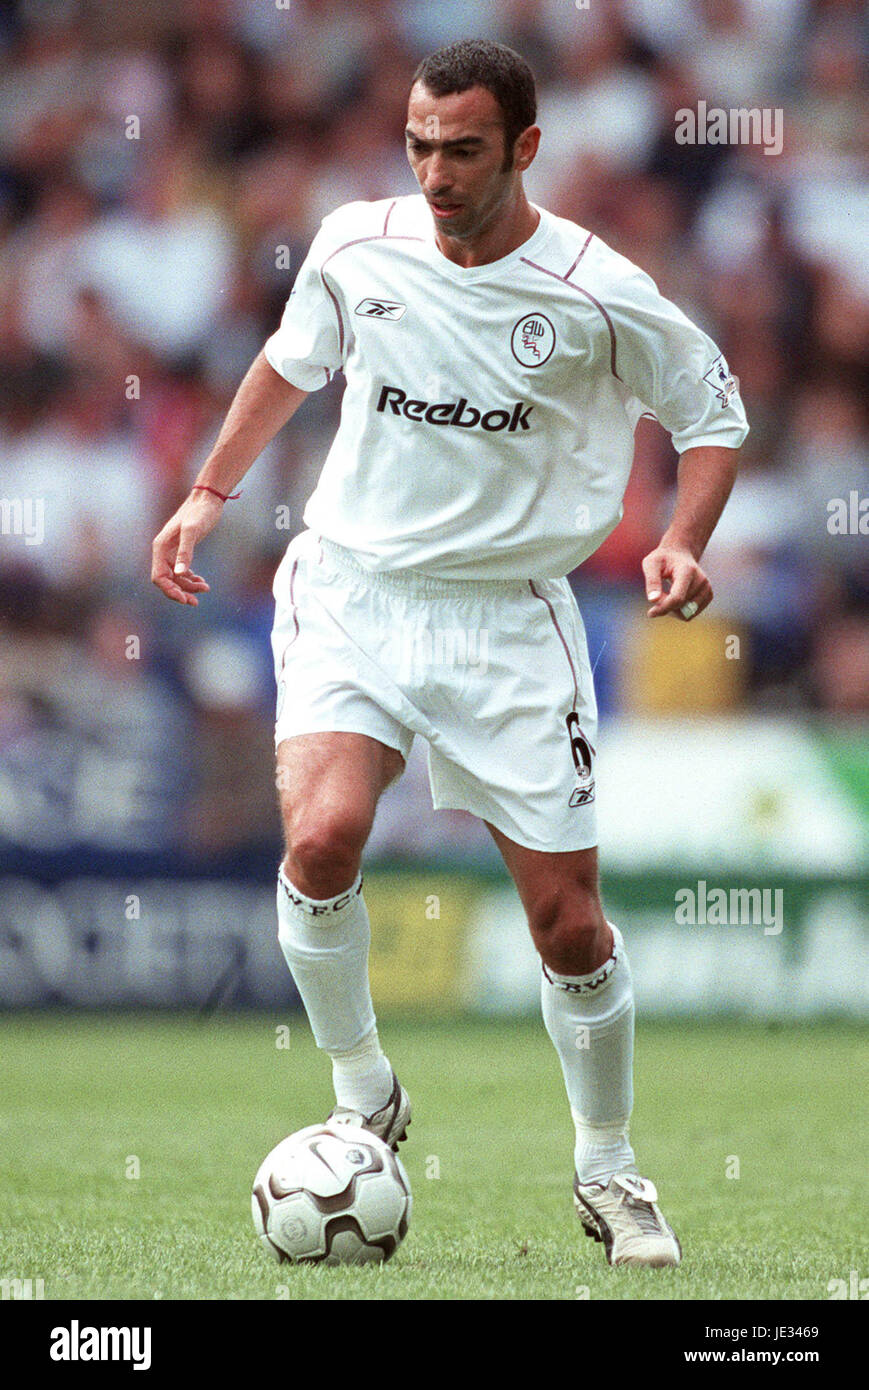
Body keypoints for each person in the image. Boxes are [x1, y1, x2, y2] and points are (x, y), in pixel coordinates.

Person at [152, 39, 748, 1268]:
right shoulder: (354, 245)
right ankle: (361, 1087)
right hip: (354, 589)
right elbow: (285, 363)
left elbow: (712, 415)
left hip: (507, 618)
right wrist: (209, 492)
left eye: (462, 149)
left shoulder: (598, 289)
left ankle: (606, 1170)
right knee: (318, 841)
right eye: (418, 143)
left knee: (567, 926)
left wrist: (684, 543)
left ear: (523, 147)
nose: (432, 171)